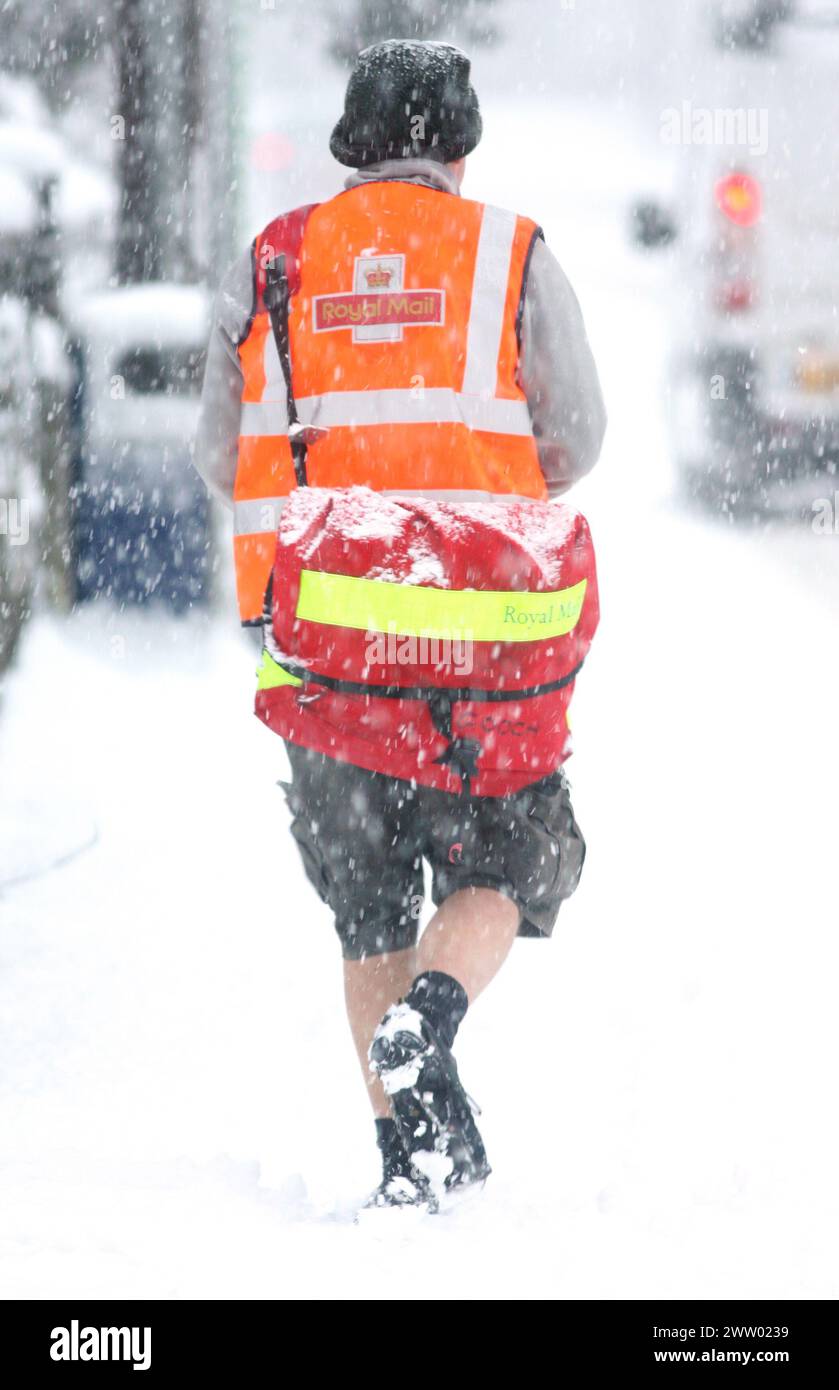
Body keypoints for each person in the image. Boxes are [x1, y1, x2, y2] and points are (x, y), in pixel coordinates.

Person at [194, 39, 606, 1211]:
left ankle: (407, 1161)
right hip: (485, 649)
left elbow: (216, 449)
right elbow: (576, 437)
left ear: (349, 145)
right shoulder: (509, 253)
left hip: (321, 642)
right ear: (459, 153)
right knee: (512, 861)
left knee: (366, 898)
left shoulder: (274, 260)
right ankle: (435, 1014)